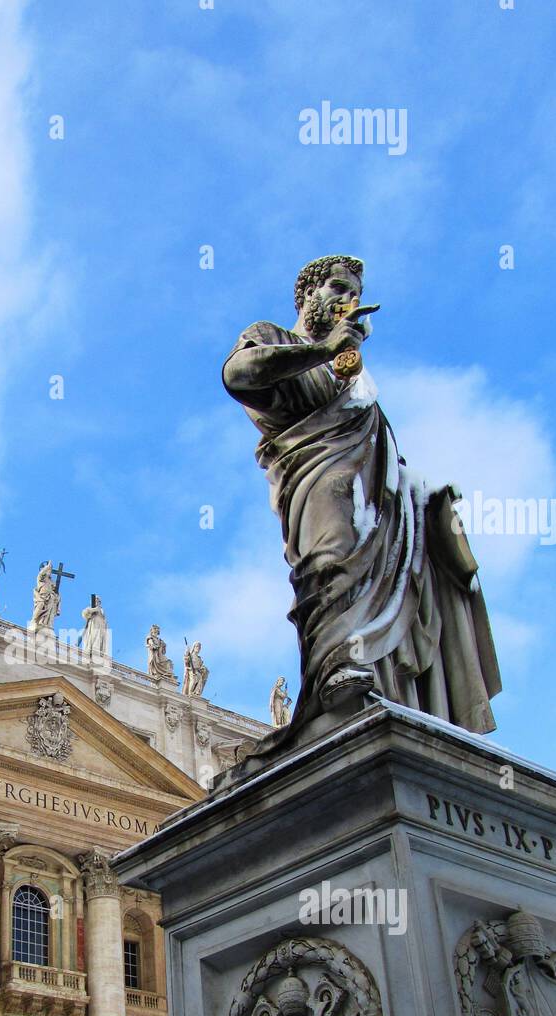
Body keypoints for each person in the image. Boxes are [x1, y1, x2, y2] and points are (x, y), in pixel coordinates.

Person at [222, 255, 500, 735]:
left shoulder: (353, 378)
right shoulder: (274, 338)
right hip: (317, 477)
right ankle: (336, 670)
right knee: (330, 562)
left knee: (391, 573)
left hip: (378, 502)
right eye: (336, 287)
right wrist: (324, 350)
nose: (345, 300)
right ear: (308, 295)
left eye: (353, 292)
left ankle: (387, 686)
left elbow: (385, 457)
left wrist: (425, 500)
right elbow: (238, 374)